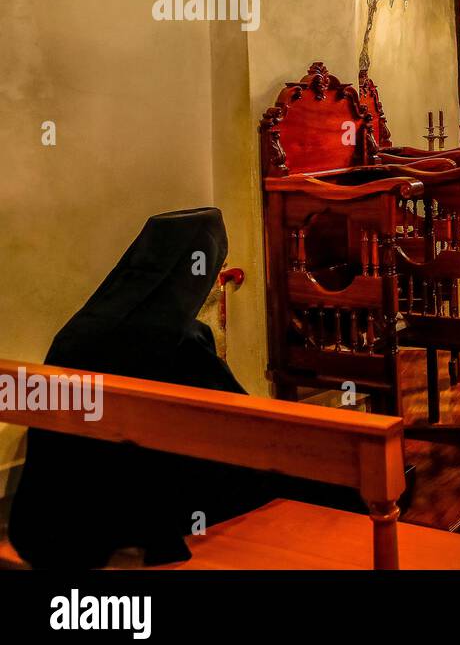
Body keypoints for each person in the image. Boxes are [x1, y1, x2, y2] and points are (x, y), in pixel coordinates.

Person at [6, 209, 359, 567]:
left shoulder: (82, 327)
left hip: (54, 514)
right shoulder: (178, 339)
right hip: (138, 500)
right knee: (325, 475)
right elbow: (238, 419)